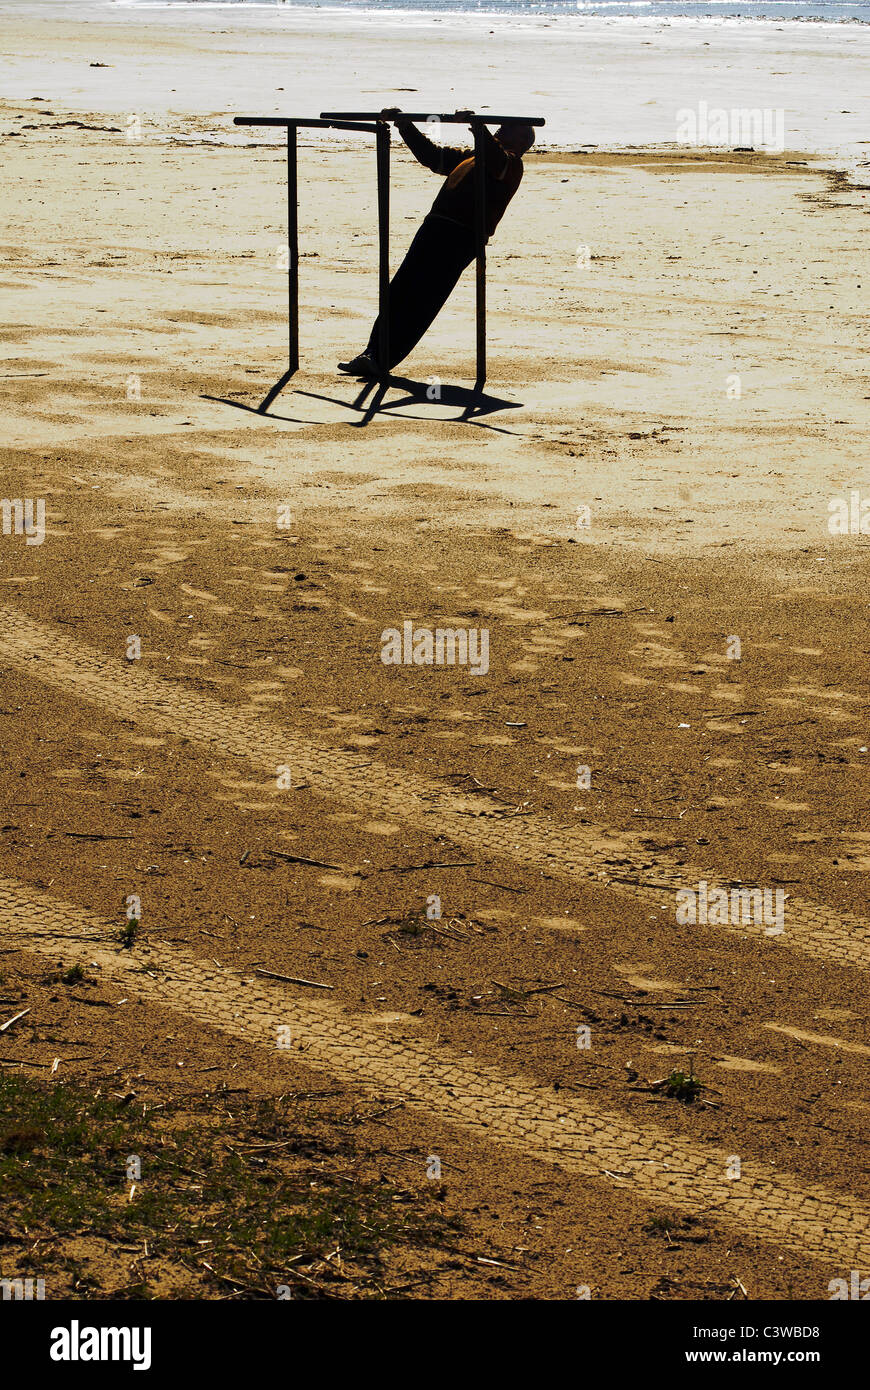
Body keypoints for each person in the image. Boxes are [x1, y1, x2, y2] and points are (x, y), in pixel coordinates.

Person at [339, 110, 535, 379]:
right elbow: (432, 157)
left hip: (462, 235)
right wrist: (405, 126)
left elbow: (495, 159)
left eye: (508, 127)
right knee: (400, 289)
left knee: (423, 298)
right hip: (435, 225)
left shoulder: (511, 165)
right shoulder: (473, 156)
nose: (500, 129)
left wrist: (478, 129)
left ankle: (383, 359)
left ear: (522, 139)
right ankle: (371, 353)